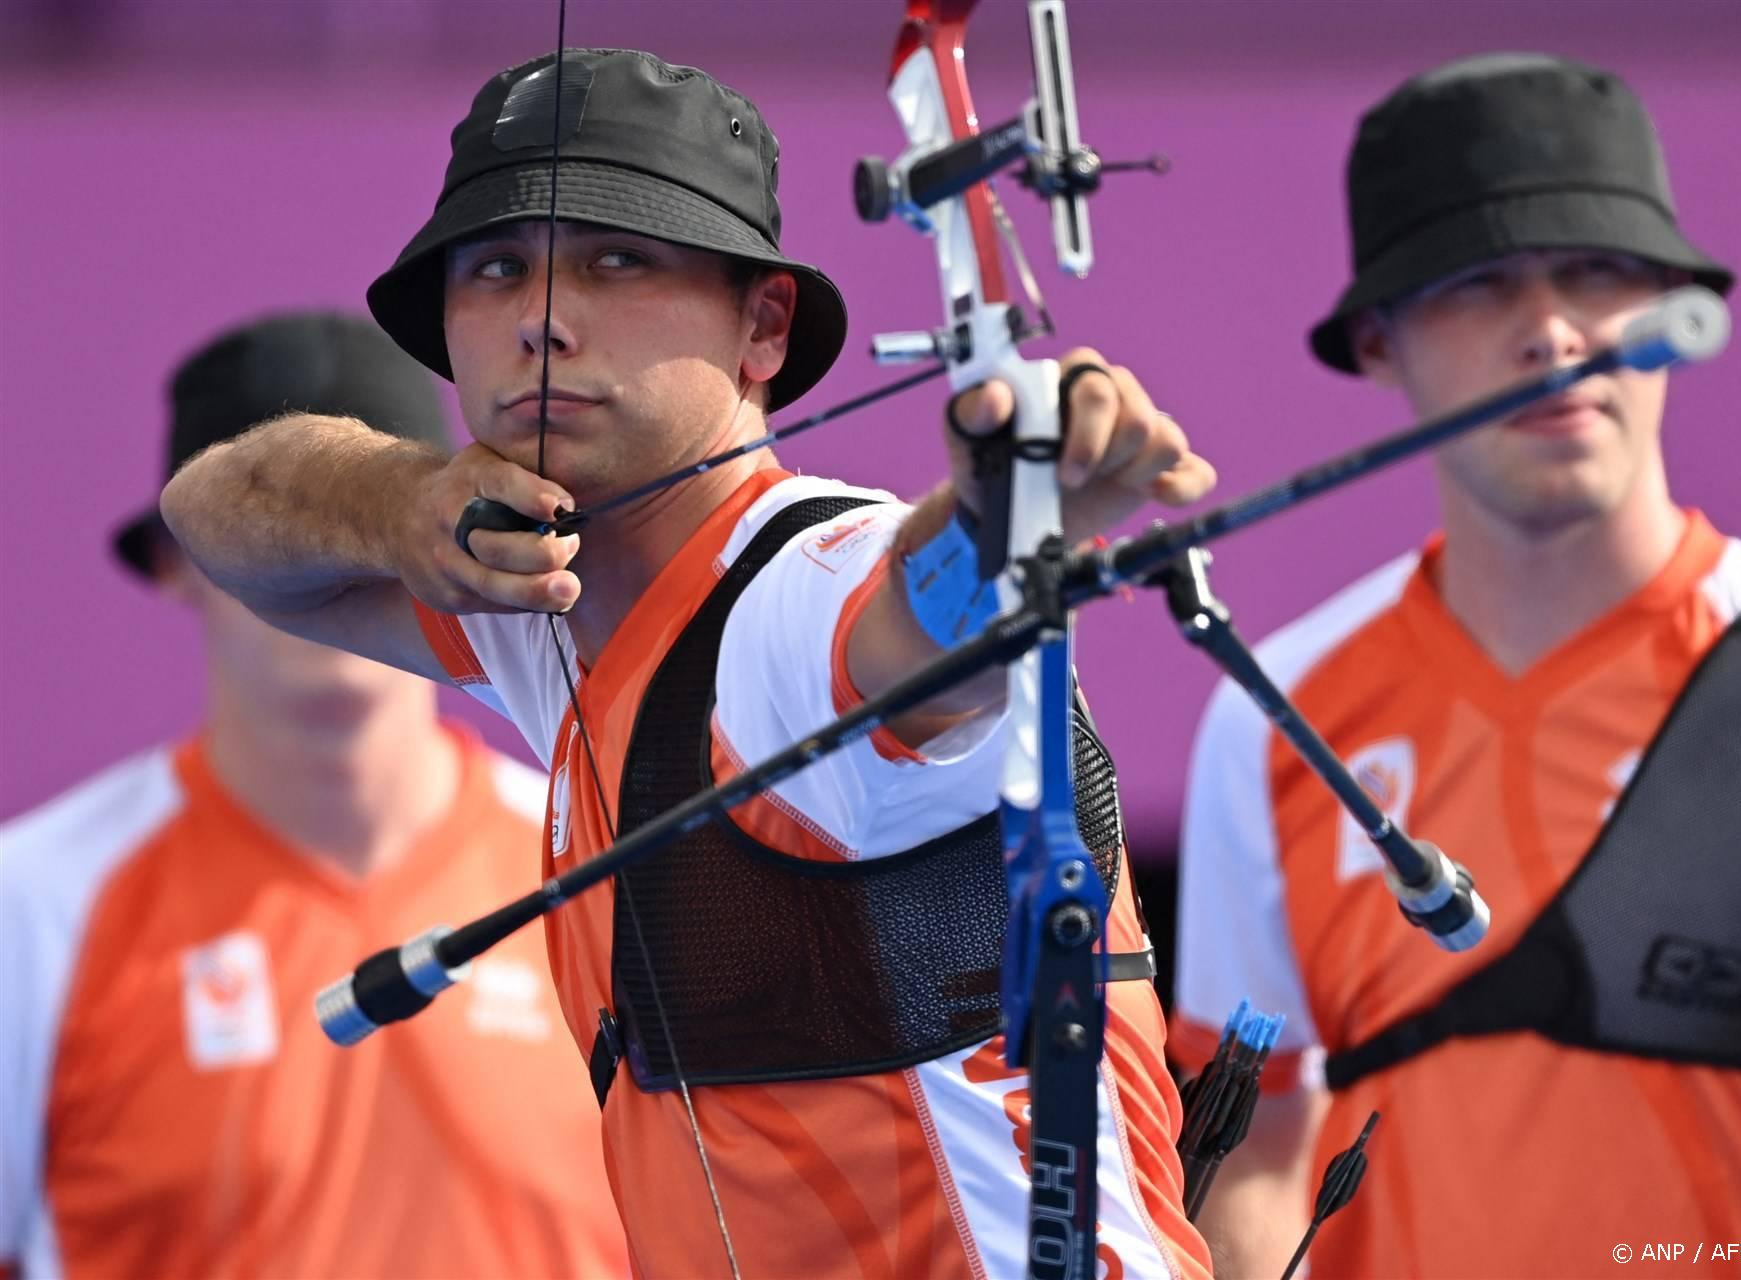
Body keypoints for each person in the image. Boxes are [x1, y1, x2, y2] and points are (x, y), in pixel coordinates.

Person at [159, 49, 1219, 1278]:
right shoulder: (537, 603)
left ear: (763, 325)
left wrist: (1005, 505)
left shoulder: (792, 599)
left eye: (620, 259)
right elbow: (218, 507)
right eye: (497, 267)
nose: (541, 317)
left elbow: (916, 632)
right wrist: (398, 496)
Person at [1172, 53, 1741, 1279]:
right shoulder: (1276, 711)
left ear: (1676, 307)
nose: (1554, 331)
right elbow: (1253, 1160)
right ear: (1377, 342)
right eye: (1479, 285)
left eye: (1599, 270)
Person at [0, 312, 627, 1278]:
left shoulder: (603, 857)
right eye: (273, 546)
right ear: (181, 561)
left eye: (357, 536)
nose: (321, 587)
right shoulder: (32, 907)